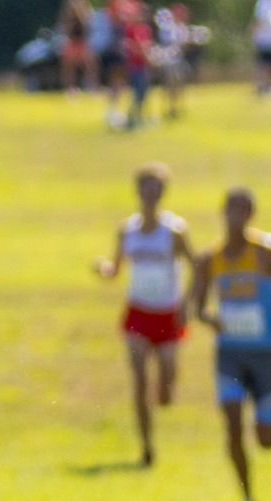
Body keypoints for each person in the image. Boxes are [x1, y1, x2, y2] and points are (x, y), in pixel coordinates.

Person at [191, 188, 271, 501]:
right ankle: (247, 494)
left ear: (250, 216)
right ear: (222, 212)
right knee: (232, 426)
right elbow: (197, 305)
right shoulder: (209, 259)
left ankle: (268, 419)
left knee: (267, 440)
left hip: (264, 353)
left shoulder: (266, 251)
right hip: (229, 353)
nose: (236, 216)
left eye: (243, 210)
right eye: (231, 209)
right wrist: (208, 318)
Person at [91, 163, 193, 467]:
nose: (150, 195)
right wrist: (103, 270)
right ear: (138, 192)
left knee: (165, 385)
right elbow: (116, 267)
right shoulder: (128, 230)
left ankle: (164, 391)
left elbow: (196, 266)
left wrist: (188, 303)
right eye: (145, 189)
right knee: (138, 381)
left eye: (156, 189)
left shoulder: (174, 231)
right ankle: (147, 447)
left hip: (168, 313)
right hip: (137, 312)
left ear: (162, 193)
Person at [57, 0, 96, 93]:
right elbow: (63, 27)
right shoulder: (66, 13)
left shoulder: (86, 11)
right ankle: (70, 88)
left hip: (83, 41)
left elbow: (88, 24)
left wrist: (80, 11)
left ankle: (91, 86)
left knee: (90, 66)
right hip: (71, 41)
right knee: (69, 67)